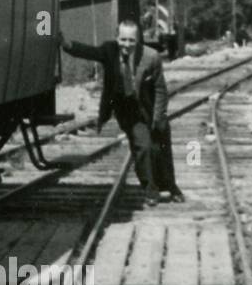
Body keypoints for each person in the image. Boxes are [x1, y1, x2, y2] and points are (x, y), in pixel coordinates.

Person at [59, 19, 183, 205]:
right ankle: (150, 191)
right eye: (123, 39)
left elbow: (160, 90)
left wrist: (158, 118)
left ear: (138, 40)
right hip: (128, 111)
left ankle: (171, 187)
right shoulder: (109, 51)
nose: (127, 44)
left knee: (160, 149)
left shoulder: (151, 57)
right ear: (117, 38)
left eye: (131, 40)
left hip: (150, 108)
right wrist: (66, 44)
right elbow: (90, 52)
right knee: (143, 146)